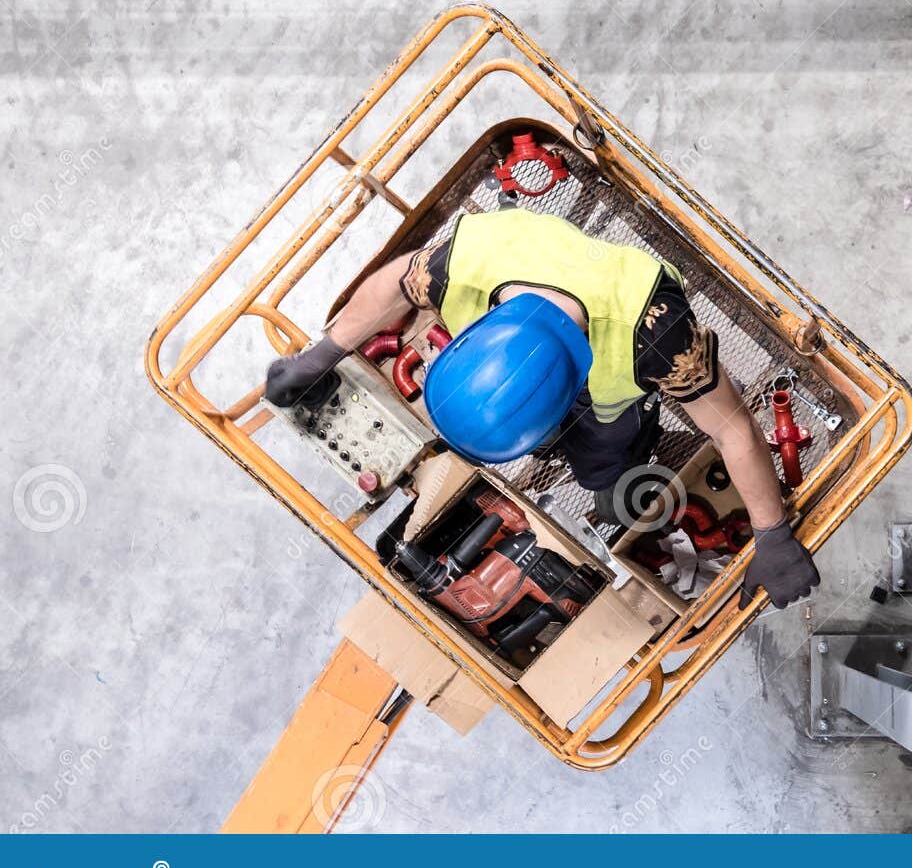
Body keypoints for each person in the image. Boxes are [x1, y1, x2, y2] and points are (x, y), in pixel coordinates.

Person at [262, 205, 819, 608]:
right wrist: (321, 355)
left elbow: (733, 430)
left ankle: (624, 443)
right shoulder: (470, 261)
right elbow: (396, 285)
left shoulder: (660, 343)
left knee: (601, 462)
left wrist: (773, 534)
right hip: (549, 307)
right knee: (587, 457)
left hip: (620, 360)